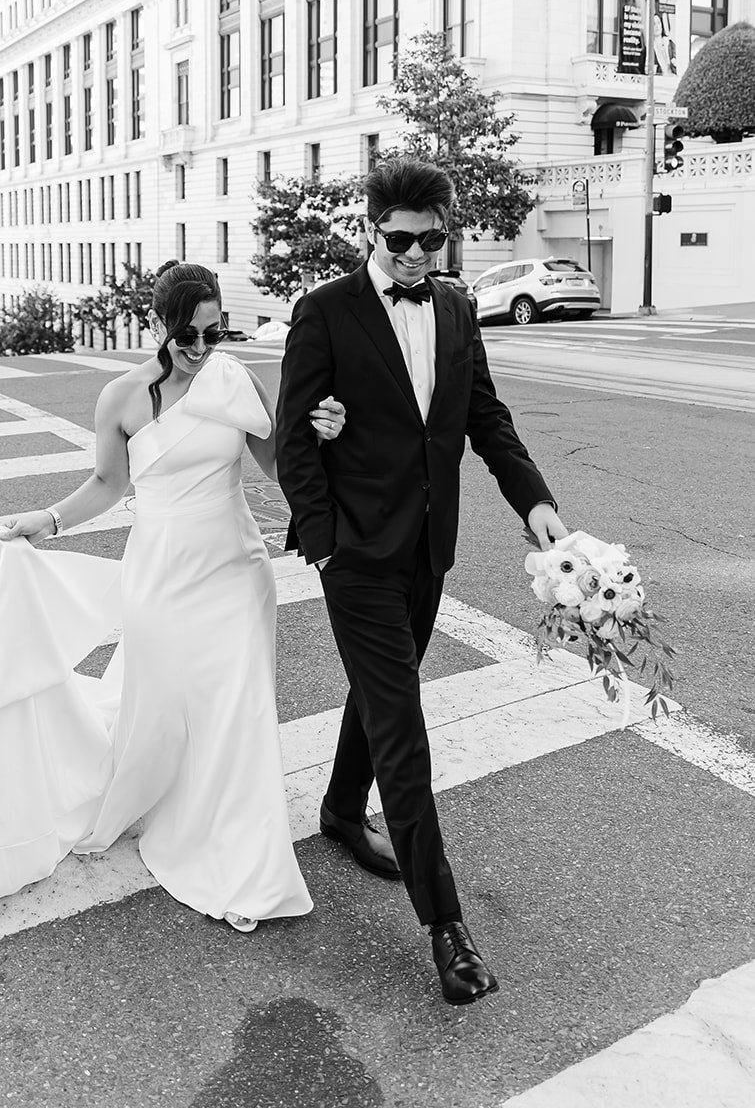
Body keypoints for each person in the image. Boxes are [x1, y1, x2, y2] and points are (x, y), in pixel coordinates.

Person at [0, 261, 346, 934]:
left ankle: (247, 865)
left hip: (235, 571)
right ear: (158, 326)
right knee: (166, 707)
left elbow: (281, 468)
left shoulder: (238, 382)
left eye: (214, 332)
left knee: (238, 714)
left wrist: (326, 442)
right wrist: (49, 520)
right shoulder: (120, 398)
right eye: (188, 335)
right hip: (159, 576)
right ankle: (160, 798)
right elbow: (106, 483)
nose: (202, 349)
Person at [274, 158, 567, 1004]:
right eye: (399, 240)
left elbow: (484, 416)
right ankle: (445, 926)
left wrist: (536, 504)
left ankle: (337, 810)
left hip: (426, 548)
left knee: (383, 688)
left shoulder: (453, 303)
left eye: (430, 241)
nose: (414, 256)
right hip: (357, 558)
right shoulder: (323, 311)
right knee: (402, 725)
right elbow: (297, 438)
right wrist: (326, 546)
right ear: (371, 228)